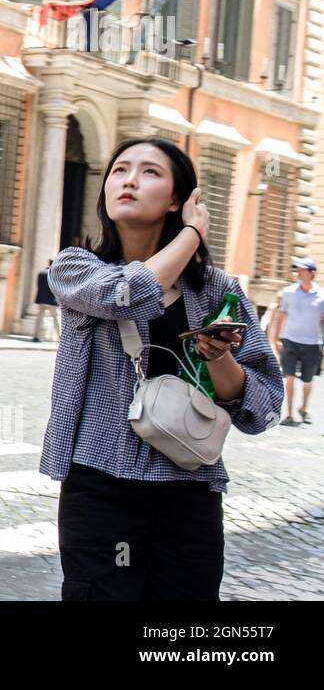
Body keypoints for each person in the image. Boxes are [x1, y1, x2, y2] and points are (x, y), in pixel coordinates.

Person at [42, 137, 282, 600]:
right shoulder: (76, 268)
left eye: (150, 172)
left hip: (188, 490)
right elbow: (129, 294)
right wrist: (193, 233)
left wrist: (220, 357)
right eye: (119, 170)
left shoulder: (218, 292)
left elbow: (263, 408)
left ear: (177, 199)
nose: (129, 179)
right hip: (101, 483)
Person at [270, 258, 324, 426]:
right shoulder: (289, 292)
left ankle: (304, 408)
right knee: (289, 377)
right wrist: (277, 338)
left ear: (312, 273)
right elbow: (282, 315)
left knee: (308, 380)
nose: (298, 273)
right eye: (298, 270)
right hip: (290, 340)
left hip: (313, 343)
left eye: (302, 270)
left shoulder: (322, 295)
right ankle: (289, 414)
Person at [34, 259, 59, 342]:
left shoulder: (41, 273)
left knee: (39, 318)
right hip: (51, 300)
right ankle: (60, 337)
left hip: (41, 300)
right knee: (56, 318)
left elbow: (38, 286)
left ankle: (36, 336)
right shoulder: (55, 274)